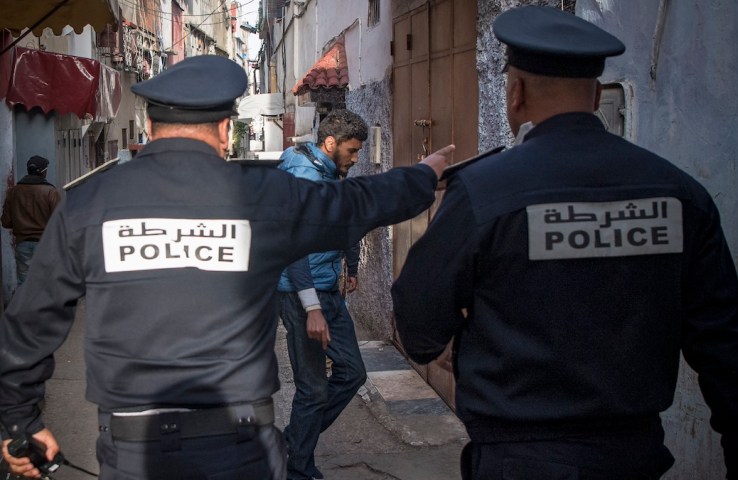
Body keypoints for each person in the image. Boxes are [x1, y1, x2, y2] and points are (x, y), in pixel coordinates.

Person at [0, 54, 455, 480]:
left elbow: (30, 320)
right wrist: (423, 175)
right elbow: (354, 203)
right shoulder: (262, 198)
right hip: (239, 447)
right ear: (223, 129)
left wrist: (21, 422)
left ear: (150, 124)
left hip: (133, 453)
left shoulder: (87, 204)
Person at [392, 6, 738, 480]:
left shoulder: (485, 192)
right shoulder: (680, 194)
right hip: (634, 457)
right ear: (597, 93)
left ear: (515, 93)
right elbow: (726, 347)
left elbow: (417, 315)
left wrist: (441, 343)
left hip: (516, 458)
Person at [276, 109, 368, 480]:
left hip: (328, 288)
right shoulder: (304, 177)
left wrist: (353, 265)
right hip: (301, 296)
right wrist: (311, 307)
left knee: (353, 372)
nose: (356, 157)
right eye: (352, 150)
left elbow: (345, 219)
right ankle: (297, 467)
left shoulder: (331, 173)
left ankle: (293, 444)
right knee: (313, 388)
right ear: (330, 144)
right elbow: (294, 246)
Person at [1, 155, 61, 286]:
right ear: (44, 172)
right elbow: (59, 221)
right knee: (47, 283)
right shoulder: (51, 192)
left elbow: (5, 222)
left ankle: (27, 306)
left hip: (22, 245)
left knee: (24, 285)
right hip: (45, 244)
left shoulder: (13, 192)